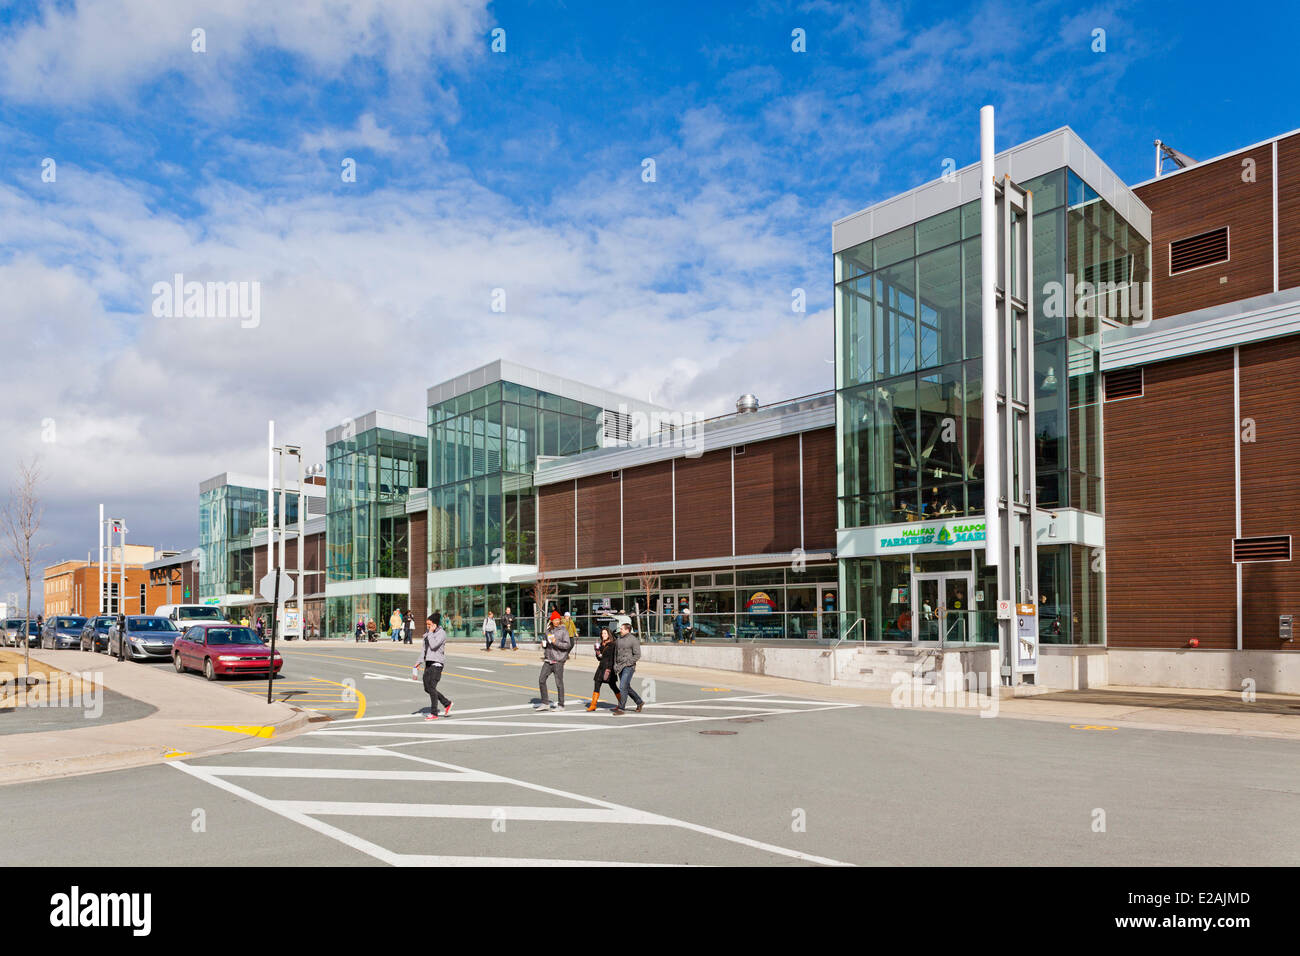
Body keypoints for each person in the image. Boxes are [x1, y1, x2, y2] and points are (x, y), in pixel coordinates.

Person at [415, 612, 453, 720]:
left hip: (437, 664)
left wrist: (430, 633)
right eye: (426, 625)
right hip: (428, 663)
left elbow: (434, 645)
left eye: (429, 624)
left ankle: (434, 713)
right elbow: (424, 649)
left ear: (435, 624)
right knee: (427, 688)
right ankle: (447, 703)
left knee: (431, 687)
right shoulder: (428, 633)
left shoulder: (441, 633)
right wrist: (419, 662)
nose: (427, 627)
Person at [536, 610, 571, 711]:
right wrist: (544, 645)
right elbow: (546, 643)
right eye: (554, 620)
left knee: (559, 683)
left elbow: (567, 645)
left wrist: (556, 642)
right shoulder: (548, 631)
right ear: (551, 621)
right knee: (541, 680)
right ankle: (545, 703)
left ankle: (561, 705)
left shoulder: (563, 630)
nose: (556, 621)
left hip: (558, 660)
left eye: (557, 619)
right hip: (548, 659)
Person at [611, 620, 643, 715]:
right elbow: (615, 654)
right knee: (626, 687)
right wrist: (615, 664)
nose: (620, 630)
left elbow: (637, 655)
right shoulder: (619, 639)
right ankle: (639, 702)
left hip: (628, 667)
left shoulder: (633, 639)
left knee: (622, 686)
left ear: (627, 630)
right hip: (619, 666)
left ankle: (621, 708)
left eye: (621, 628)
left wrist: (629, 663)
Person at [586, 627, 621, 711]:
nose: (603, 635)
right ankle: (593, 705)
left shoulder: (613, 644)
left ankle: (621, 703)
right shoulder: (602, 644)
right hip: (601, 668)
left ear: (609, 634)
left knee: (613, 686)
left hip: (609, 668)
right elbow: (600, 658)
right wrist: (597, 651)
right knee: (597, 684)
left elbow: (613, 658)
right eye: (602, 633)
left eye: (605, 633)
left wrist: (609, 669)